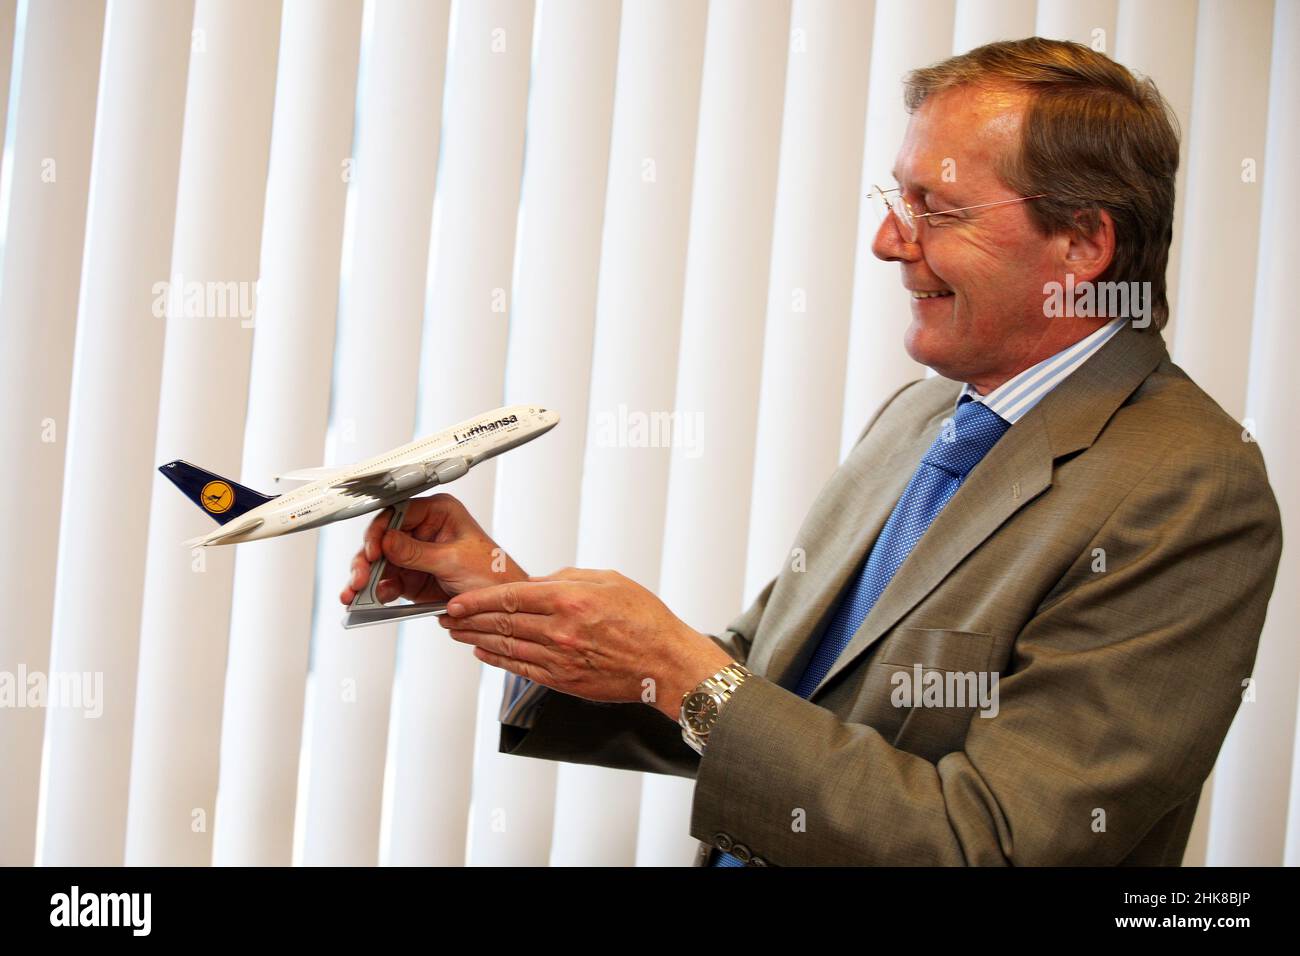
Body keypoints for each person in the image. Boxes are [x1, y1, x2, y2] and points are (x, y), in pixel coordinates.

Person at [339, 38, 1282, 866]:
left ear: (1081, 244)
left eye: (936, 208)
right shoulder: (919, 419)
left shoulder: (1192, 487)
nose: (884, 241)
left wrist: (678, 667)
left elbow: (991, 844)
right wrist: (504, 592)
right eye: (893, 199)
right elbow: (771, 691)